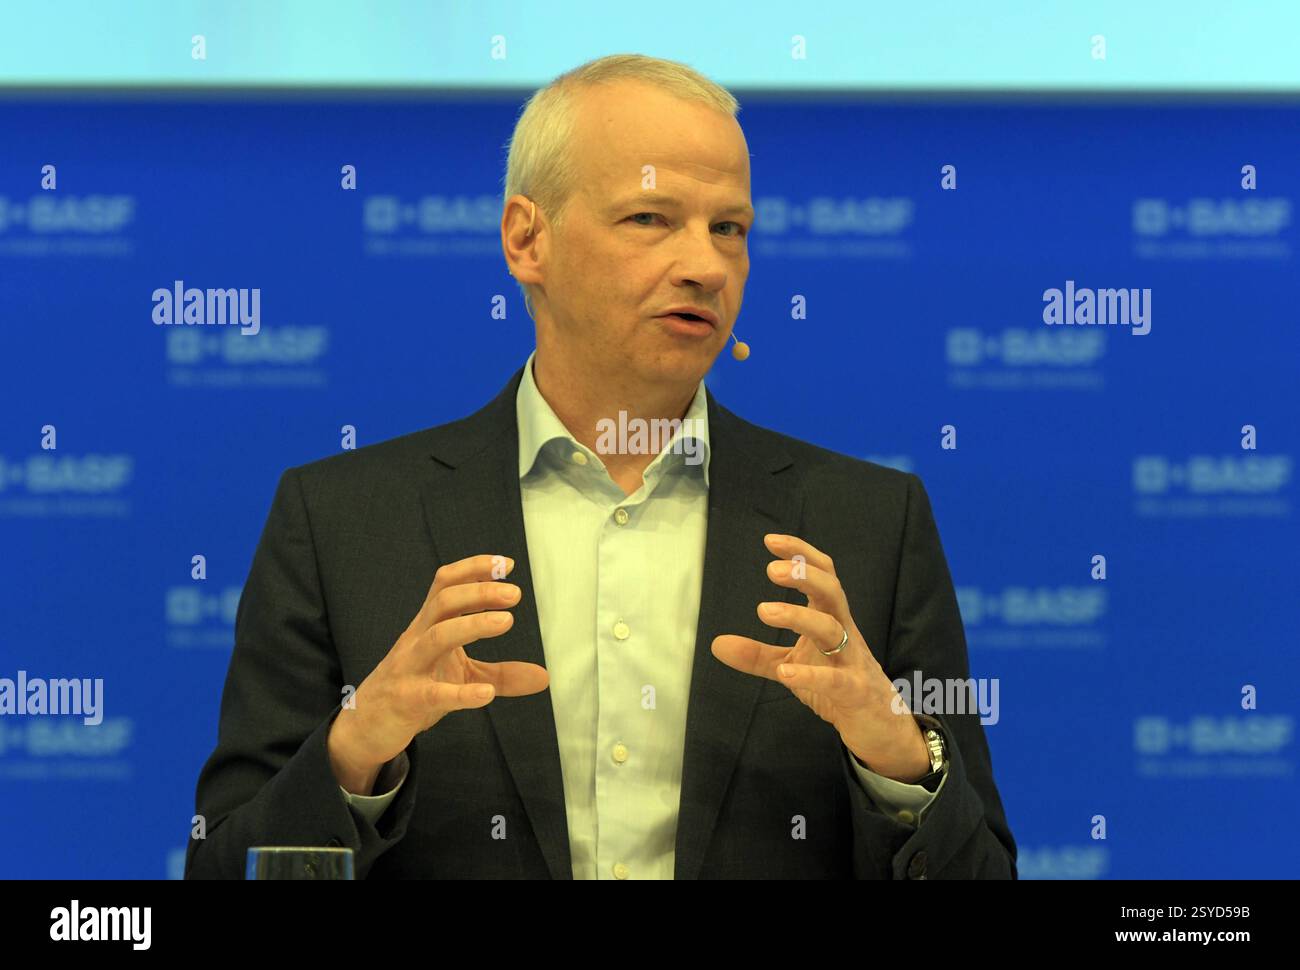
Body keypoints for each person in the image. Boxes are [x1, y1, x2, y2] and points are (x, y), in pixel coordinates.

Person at [186, 53, 1016, 880]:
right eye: (651, 219)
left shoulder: (869, 525)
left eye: (729, 228)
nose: (706, 265)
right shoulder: (342, 522)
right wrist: (356, 750)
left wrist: (898, 758)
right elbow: (221, 867)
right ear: (527, 239)